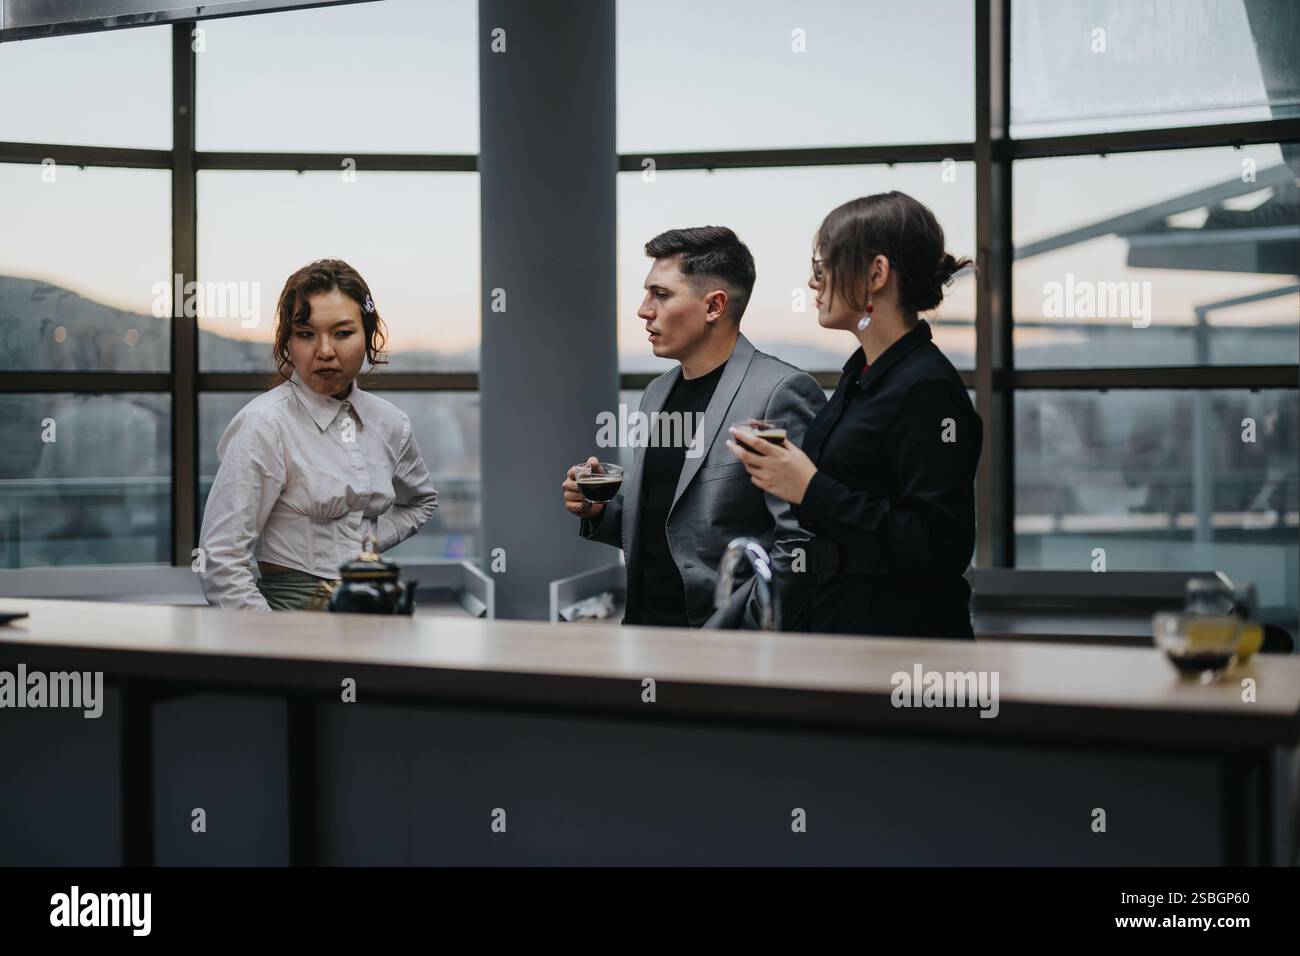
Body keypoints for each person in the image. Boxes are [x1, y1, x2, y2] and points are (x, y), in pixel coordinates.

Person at [727, 192, 982, 639]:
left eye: (821, 268)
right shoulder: (862, 375)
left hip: (899, 641)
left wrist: (809, 488)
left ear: (876, 274)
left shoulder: (927, 387)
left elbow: (941, 547)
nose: (813, 284)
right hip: (842, 622)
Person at [562, 227, 826, 629]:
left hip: (726, 651)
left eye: (661, 294)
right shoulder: (657, 393)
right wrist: (601, 511)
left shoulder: (780, 392)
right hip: (644, 637)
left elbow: (803, 540)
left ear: (714, 306)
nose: (643, 310)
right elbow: (670, 526)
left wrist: (747, 631)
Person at [199, 259, 439, 612]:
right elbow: (220, 559)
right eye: (306, 334)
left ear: (369, 337)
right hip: (290, 619)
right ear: (287, 343)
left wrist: (365, 547)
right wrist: (269, 642)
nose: (325, 351)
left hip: (376, 610)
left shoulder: (391, 423)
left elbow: (421, 502)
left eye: (342, 333)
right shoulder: (265, 424)